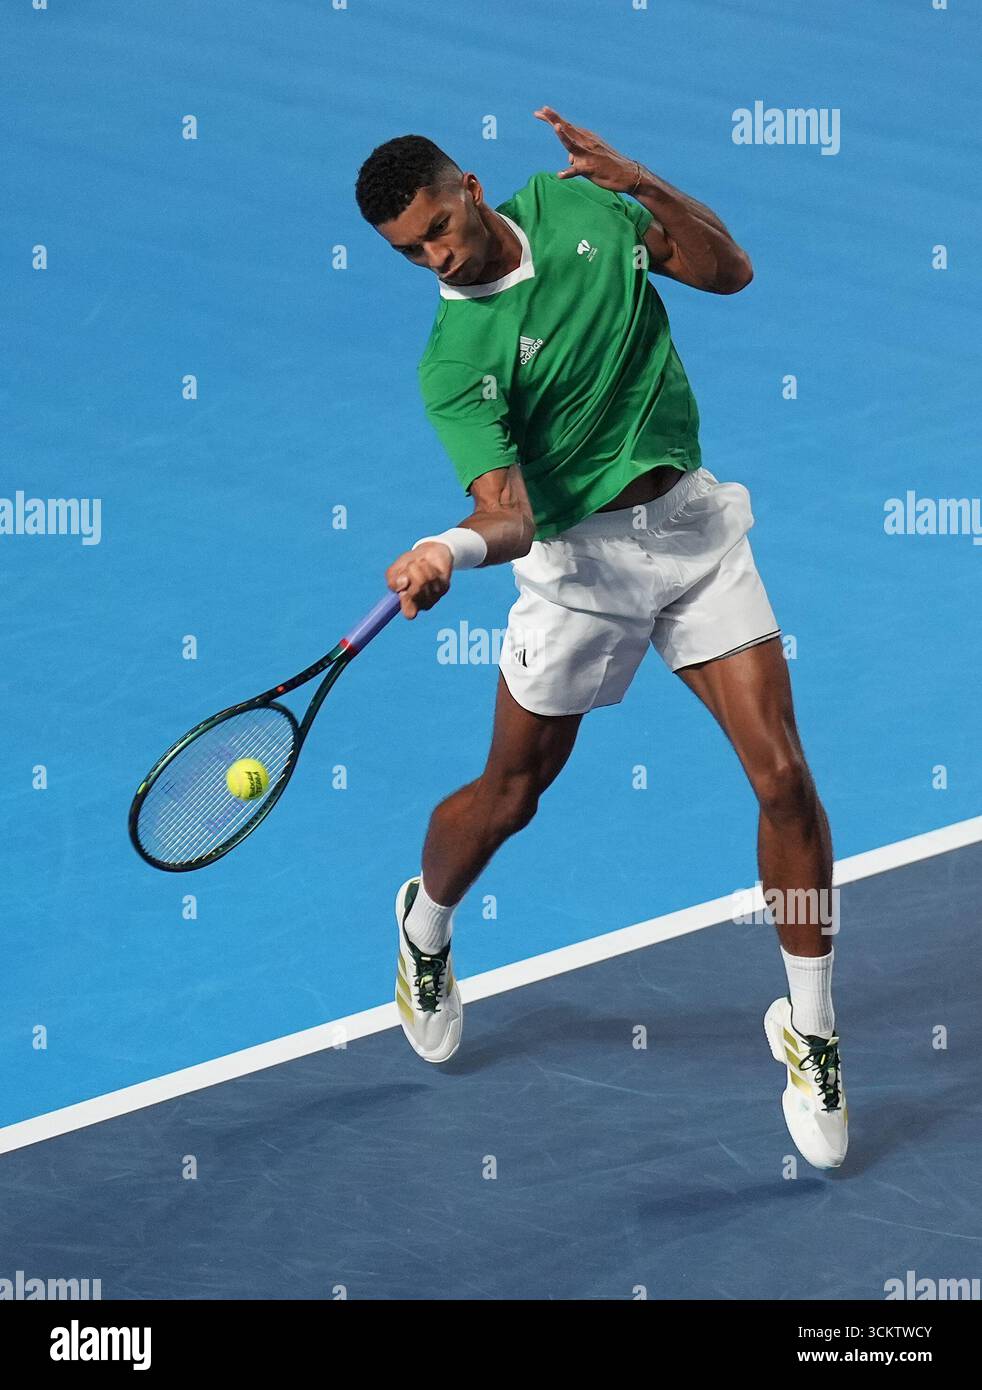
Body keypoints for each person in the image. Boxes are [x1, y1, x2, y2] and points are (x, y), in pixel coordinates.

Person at [354, 107, 846, 1170]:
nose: (437, 256)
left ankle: (810, 1029)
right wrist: (450, 546)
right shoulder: (455, 358)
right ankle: (424, 927)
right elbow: (510, 514)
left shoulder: (582, 204)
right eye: (414, 252)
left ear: (471, 186)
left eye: (439, 226)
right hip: (579, 572)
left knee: (783, 780)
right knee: (509, 796)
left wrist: (646, 181)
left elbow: (730, 274)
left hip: (696, 534)